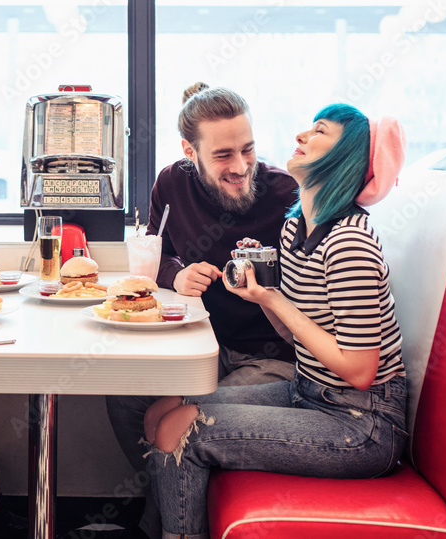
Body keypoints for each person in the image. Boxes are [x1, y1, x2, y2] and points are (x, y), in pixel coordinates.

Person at [143, 103, 408, 539]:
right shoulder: (294, 228)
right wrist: (262, 295)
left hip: (363, 424)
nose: (302, 136)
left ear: (345, 161)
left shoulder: (350, 242)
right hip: (309, 391)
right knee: (159, 412)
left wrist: (275, 300)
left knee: (180, 430)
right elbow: (292, 333)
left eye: (319, 132)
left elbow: (361, 372)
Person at [106, 83, 298, 537]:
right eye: (223, 155)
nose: (241, 166)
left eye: (248, 149)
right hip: (205, 345)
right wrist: (177, 275)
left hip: (272, 357)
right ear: (189, 151)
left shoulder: (285, 193)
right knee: (121, 394)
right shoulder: (172, 182)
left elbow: (311, 291)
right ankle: (166, 499)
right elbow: (158, 252)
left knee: (168, 418)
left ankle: (159, 522)